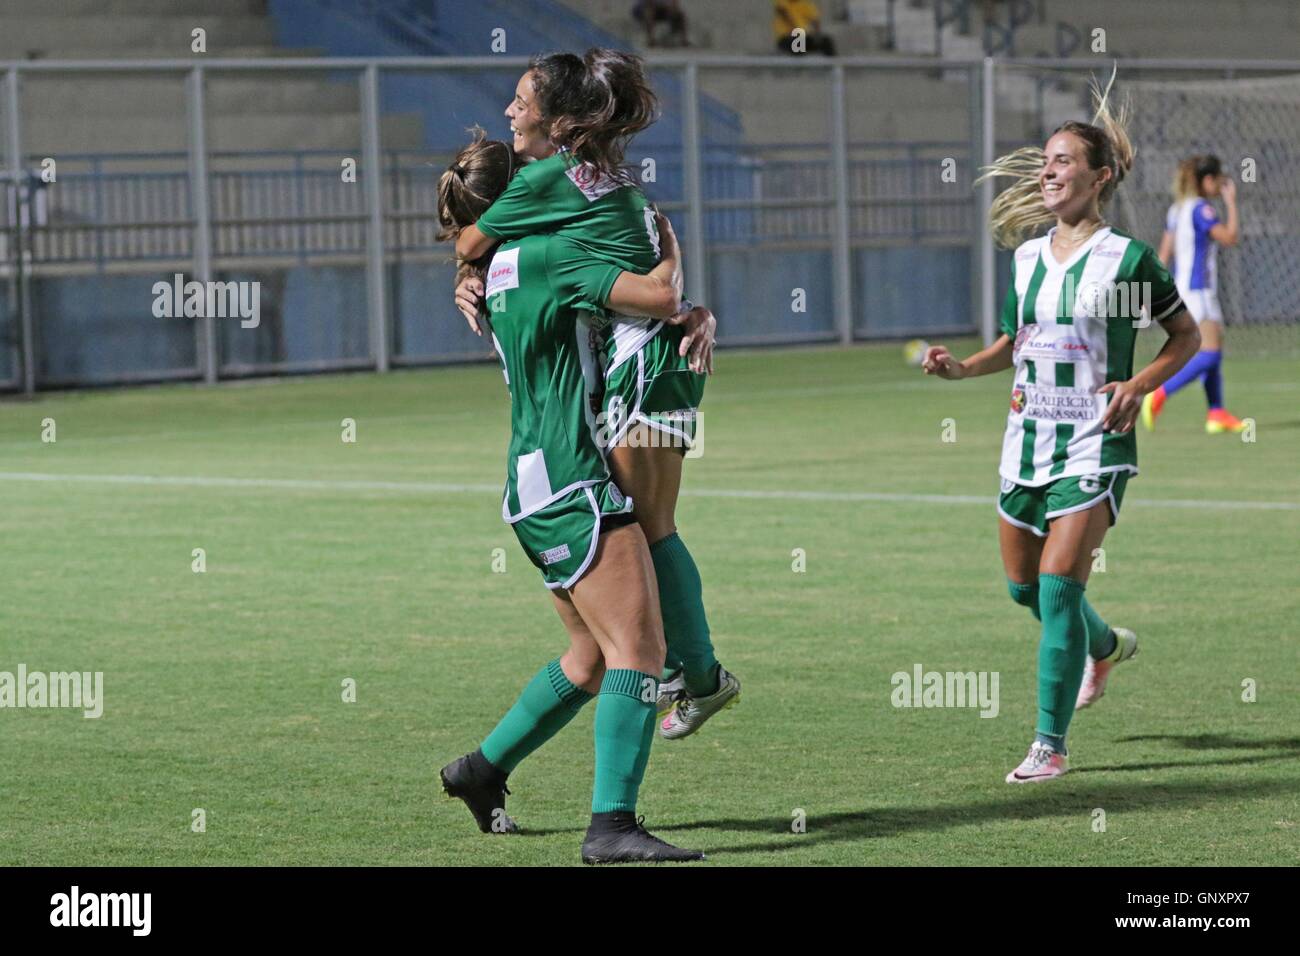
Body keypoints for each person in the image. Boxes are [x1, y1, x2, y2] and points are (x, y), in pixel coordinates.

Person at [921, 75, 1201, 783]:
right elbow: (1013, 344)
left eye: (1063, 160)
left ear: (1099, 177)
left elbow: (1185, 336)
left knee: (1057, 590)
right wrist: (960, 370)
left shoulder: (1127, 261)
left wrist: (1138, 385)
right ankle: (1102, 646)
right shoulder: (1024, 259)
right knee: (1024, 590)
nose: (1047, 171)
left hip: (1093, 442)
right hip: (1026, 440)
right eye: (1044, 160)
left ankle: (1050, 744)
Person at [436, 129, 706, 863]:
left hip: (534, 483)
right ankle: (611, 828)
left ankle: (480, 771)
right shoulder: (553, 257)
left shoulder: (494, 272)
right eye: (533, 182)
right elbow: (657, 296)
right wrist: (669, 248)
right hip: (570, 480)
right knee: (640, 652)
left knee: (589, 656)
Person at [454, 50, 740, 741]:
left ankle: (699, 678)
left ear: (559, 124)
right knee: (643, 528)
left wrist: (472, 270)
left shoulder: (547, 182)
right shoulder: (600, 178)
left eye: (521, 101)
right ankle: (692, 674)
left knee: (650, 527)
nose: (509, 112)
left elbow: (470, 239)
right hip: (652, 355)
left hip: (648, 358)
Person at [1145, 154, 1248, 434]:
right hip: (1199, 291)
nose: (1222, 184)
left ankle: (1216, 412)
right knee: (1210, 354)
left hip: (1185, 289)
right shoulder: (1202, 209)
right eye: (1219, 180)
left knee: (1213, 351)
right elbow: (1230, 237)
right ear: (1208, 180)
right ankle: (1160, 392)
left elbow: (1164, 254)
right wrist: (1230, 203)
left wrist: (1150, 292)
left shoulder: (1177, 209)